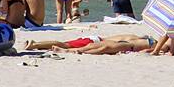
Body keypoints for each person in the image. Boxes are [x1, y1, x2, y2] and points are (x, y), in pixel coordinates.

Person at [27, 34, 156, 54]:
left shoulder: (131, 37)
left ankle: (37, 45)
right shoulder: (128, 44)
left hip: (95, 39)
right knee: (65, 45)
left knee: (66, 45)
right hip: (95, 40)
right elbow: (105, 48)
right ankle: (35, 44)